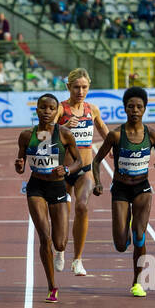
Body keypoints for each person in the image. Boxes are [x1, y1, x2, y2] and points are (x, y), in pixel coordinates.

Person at [92, 87, 155, 297]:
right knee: (120, 245)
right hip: (120, 188)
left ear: (145, 109)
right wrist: (98, 182)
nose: (135, 110)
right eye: (130, 106)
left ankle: (137, 282)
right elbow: (97, 160)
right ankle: (127, 226)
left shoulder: (153, 135)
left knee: (139, 236)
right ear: (124, 108)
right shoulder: (115, 135)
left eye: (139, 107)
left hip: (142, 188)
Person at [14, 93, 80, 303]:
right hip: (36, 187)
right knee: (45, 237)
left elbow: (78, 161)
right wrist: (20, 165)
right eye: (43, 108)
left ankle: (60, 251)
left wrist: (67, 170)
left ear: (56, 111)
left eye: (51, 108)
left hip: (58, 187)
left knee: (59, 242)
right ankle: (52, 286)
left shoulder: (65, 134)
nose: (47, 112)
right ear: (37, 110)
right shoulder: (26, 135)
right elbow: (20, 161)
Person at [56, 69, 109, 277]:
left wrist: (113, 147)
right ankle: (60, 250)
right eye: (76, 87)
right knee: (62, 214)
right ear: (68, 87)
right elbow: (43, 134)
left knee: (82, 206)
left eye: (84, 87)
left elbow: (105, 131)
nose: (80, 91)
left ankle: (77, 259)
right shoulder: (60, 109)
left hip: (84, 171)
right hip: (62, 171)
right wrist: (62, 127)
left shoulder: (92, 109)